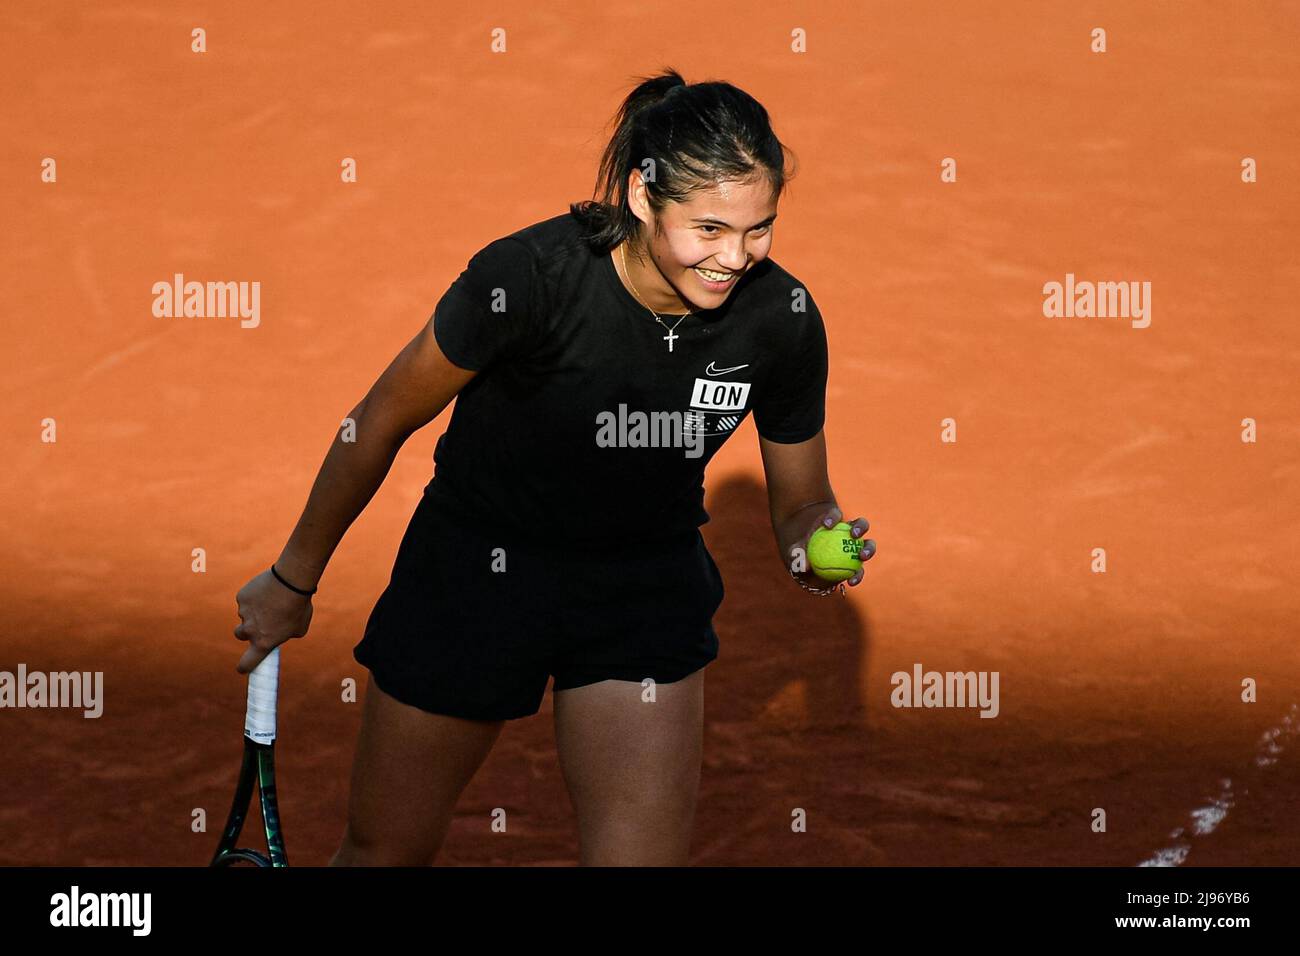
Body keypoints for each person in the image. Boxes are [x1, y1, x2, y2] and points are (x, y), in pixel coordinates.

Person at [232, 67, 876, 867]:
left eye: (759, 229)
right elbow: (383, 417)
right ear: (644, 199)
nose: (735, 258)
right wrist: (293, 579)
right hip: (477, 570)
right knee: (383, 852)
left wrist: (814, 546)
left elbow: (802, 501)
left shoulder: (780, 321)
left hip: (640, 586)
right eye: (708, 229)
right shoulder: (528, 280)